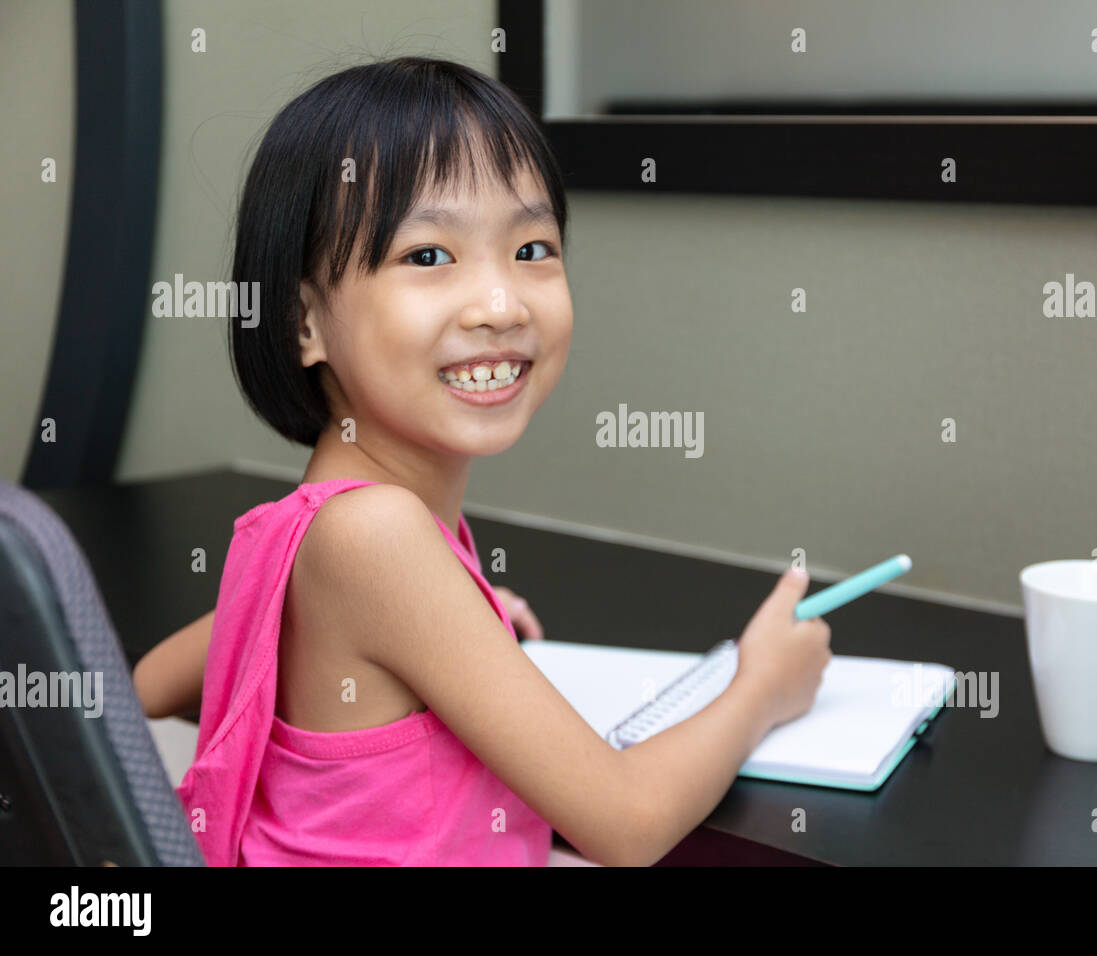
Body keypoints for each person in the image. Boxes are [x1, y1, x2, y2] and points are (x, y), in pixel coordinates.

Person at [133, 56, 831, 867]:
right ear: (302, 325)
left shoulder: (324, 532)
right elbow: (630, 824)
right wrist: (760, 689)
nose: (501, 304)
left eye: (533, 248)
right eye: (428, 256)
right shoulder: (376, 537)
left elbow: (146, 683)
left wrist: (445, 628)